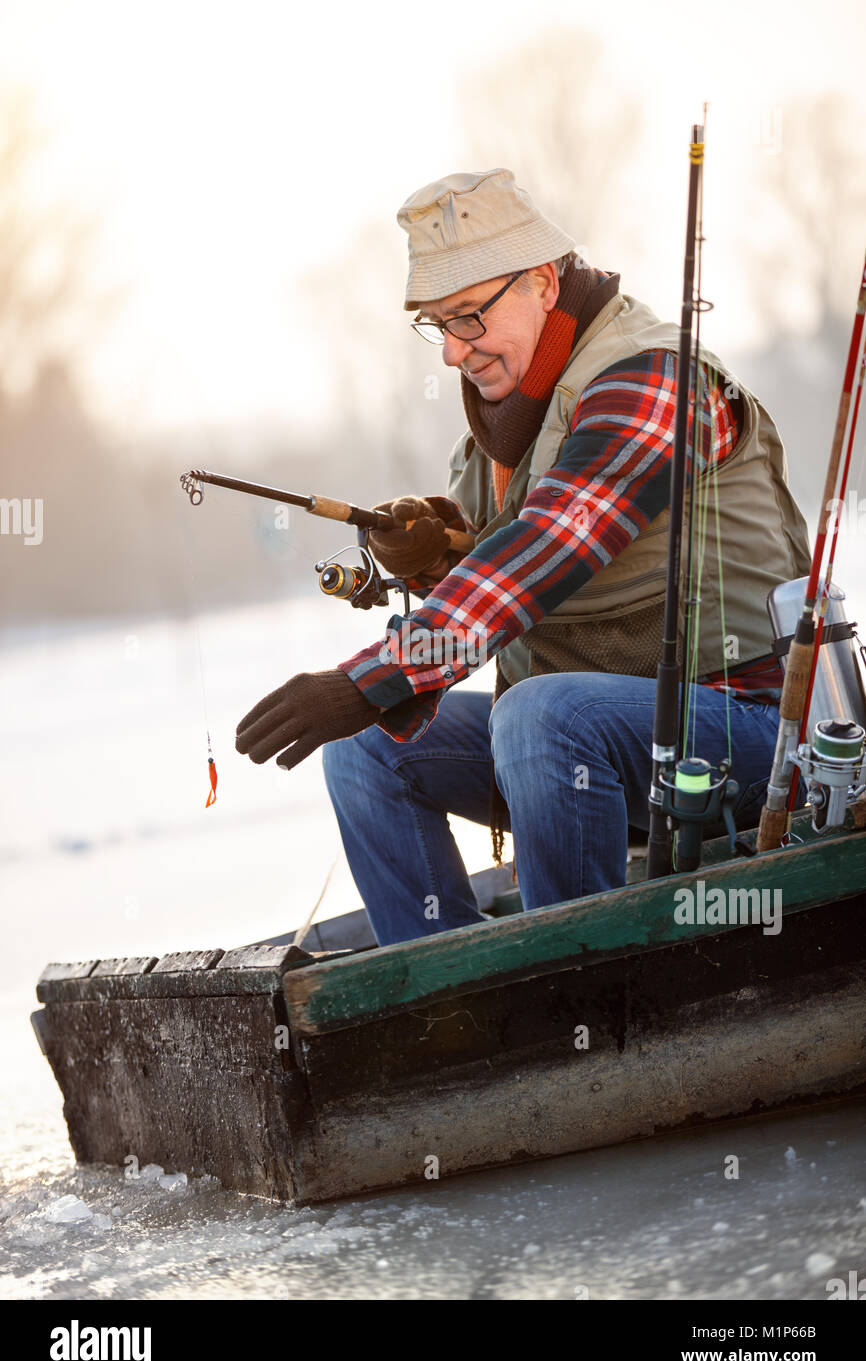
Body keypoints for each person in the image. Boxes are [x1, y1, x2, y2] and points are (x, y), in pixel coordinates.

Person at [235, 168, 811, 946]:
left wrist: (367, 679)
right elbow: (497, 559)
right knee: (369, 747)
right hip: (588, 753)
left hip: (747, 739)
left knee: (539, 713)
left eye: (467, 318)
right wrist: (434, 548)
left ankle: (568, 983)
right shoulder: (508, 422)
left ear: (542, 282)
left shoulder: (649, 379)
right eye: (436, 326)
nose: (450, 352)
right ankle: (441, 1001)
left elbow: (542, 553)